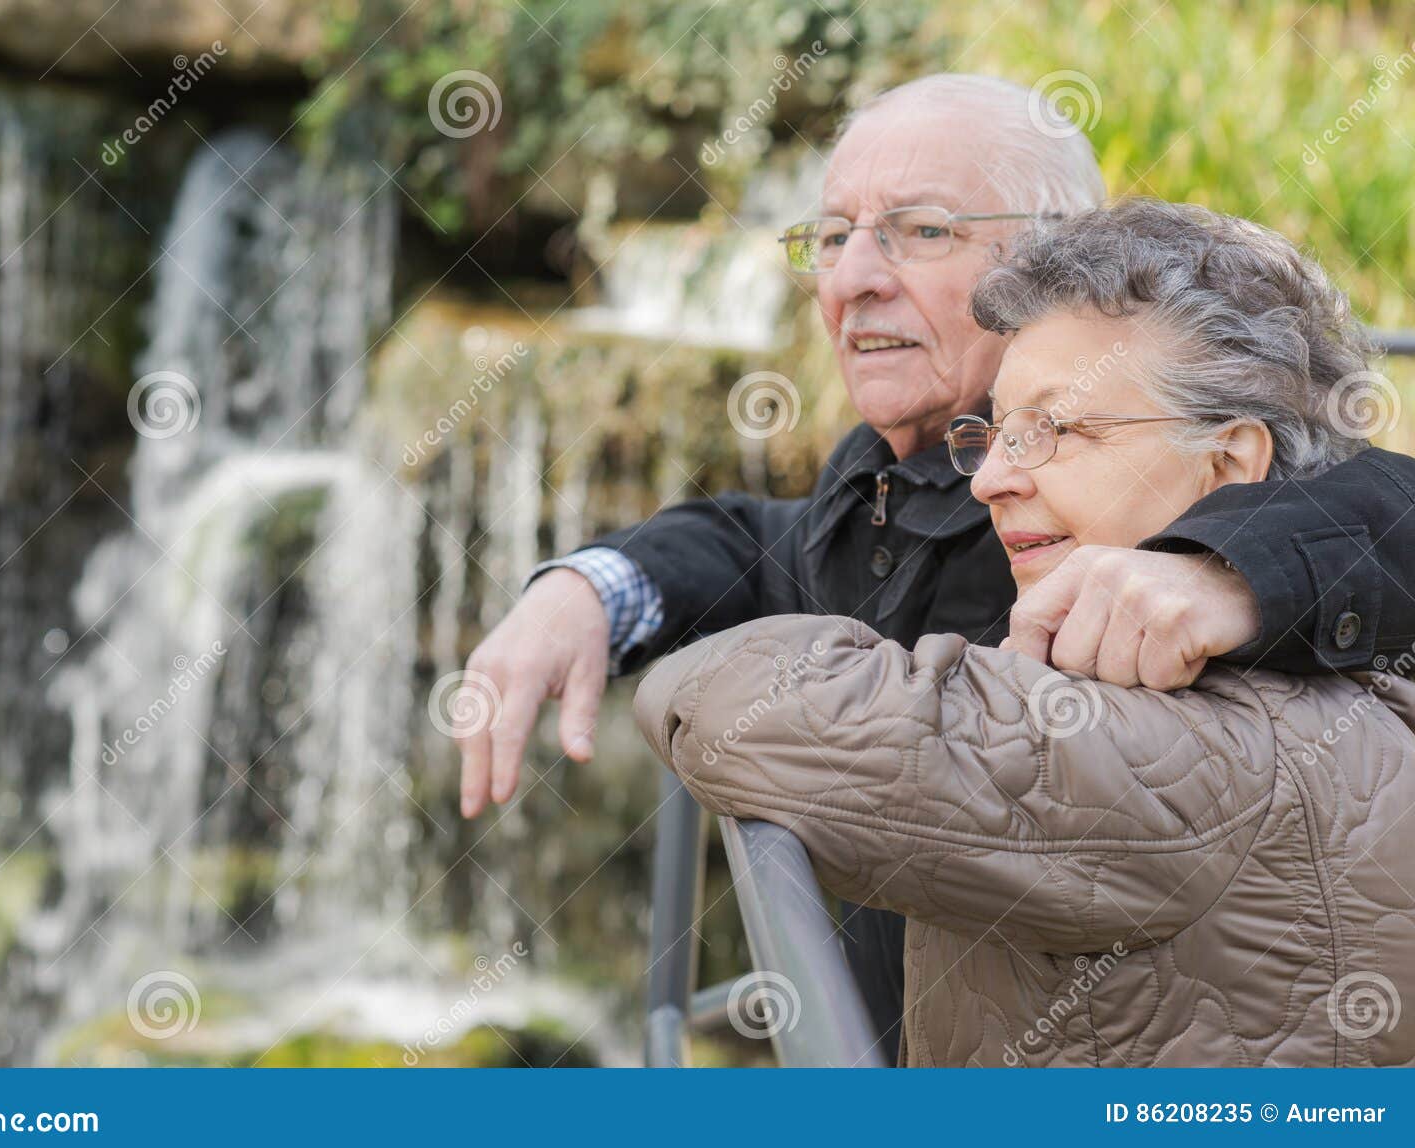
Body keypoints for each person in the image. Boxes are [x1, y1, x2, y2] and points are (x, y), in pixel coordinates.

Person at [456, 74, 1415, 1063]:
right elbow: (765, 540)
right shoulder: (908, 479)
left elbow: (1381, 499)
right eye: (830, 237)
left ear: (1058, 249)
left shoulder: (1148, 513)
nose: (849, 279)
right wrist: (591, 587)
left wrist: (1231, 562)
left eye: (918, 230)